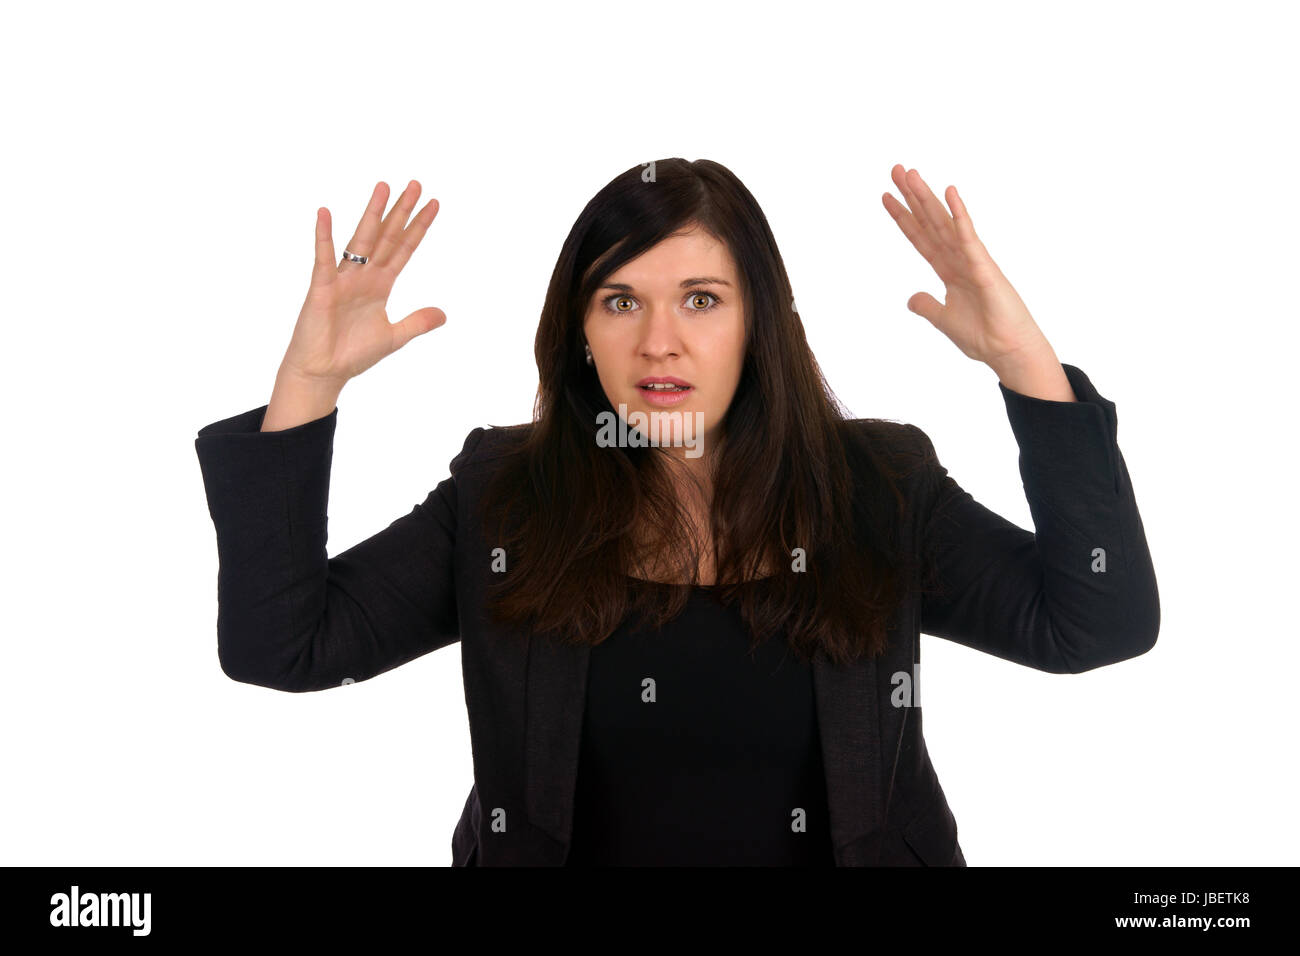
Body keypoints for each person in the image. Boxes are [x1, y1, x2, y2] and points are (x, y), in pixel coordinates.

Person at [194, 158, 1159, 866]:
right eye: (620, 302)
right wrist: (309, 385)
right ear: (577, 334)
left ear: (760, 323)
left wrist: (1027, 370)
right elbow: (284, 646)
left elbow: (1094, 622)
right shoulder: (506, 499)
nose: (660, 342)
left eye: (701, 299)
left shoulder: (877, 487)